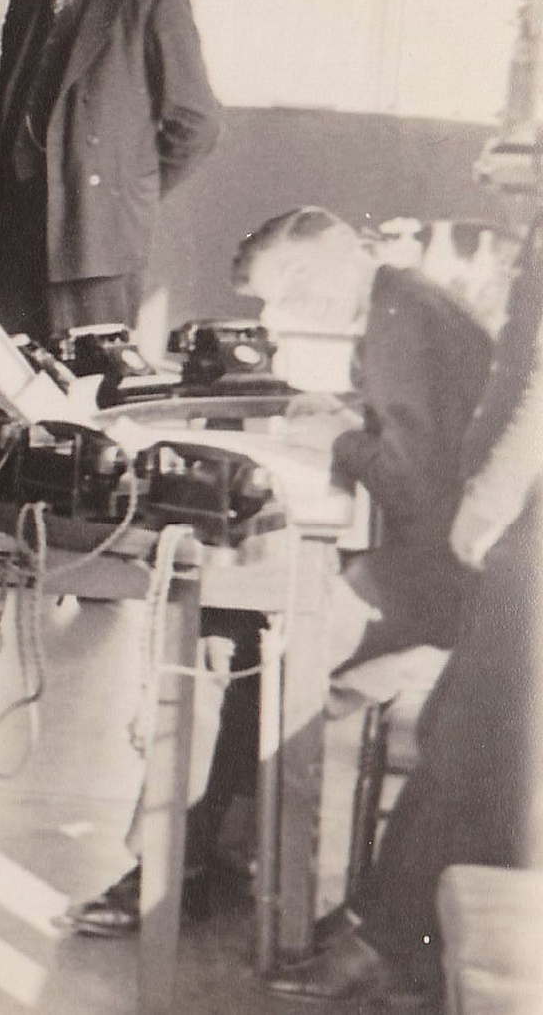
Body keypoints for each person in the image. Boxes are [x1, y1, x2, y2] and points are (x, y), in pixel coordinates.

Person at [63, 207, 494, 938]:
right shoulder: (401, 297)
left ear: (331, 256)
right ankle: (205, 852)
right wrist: (348, 421)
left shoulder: (399, 317)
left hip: (439, 581)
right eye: (268, 300)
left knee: (228, 653)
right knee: (229, 631)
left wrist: (341, 437)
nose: (282, 309)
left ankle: (172, 867)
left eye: (289, 286)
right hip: (429, 558)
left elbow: (415, 483)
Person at [264, 214, 543, 1005]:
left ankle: (397, 949)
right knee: (471, 730)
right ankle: (402, 937)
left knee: (473, 733)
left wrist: (487, 499)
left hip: (523, 521)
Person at [0, 0, 222, 341]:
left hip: (95, 236)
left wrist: (126, 191)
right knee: (19, 379)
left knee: (90, 382)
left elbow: (197, 122)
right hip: (17, 228)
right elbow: (6, 111)